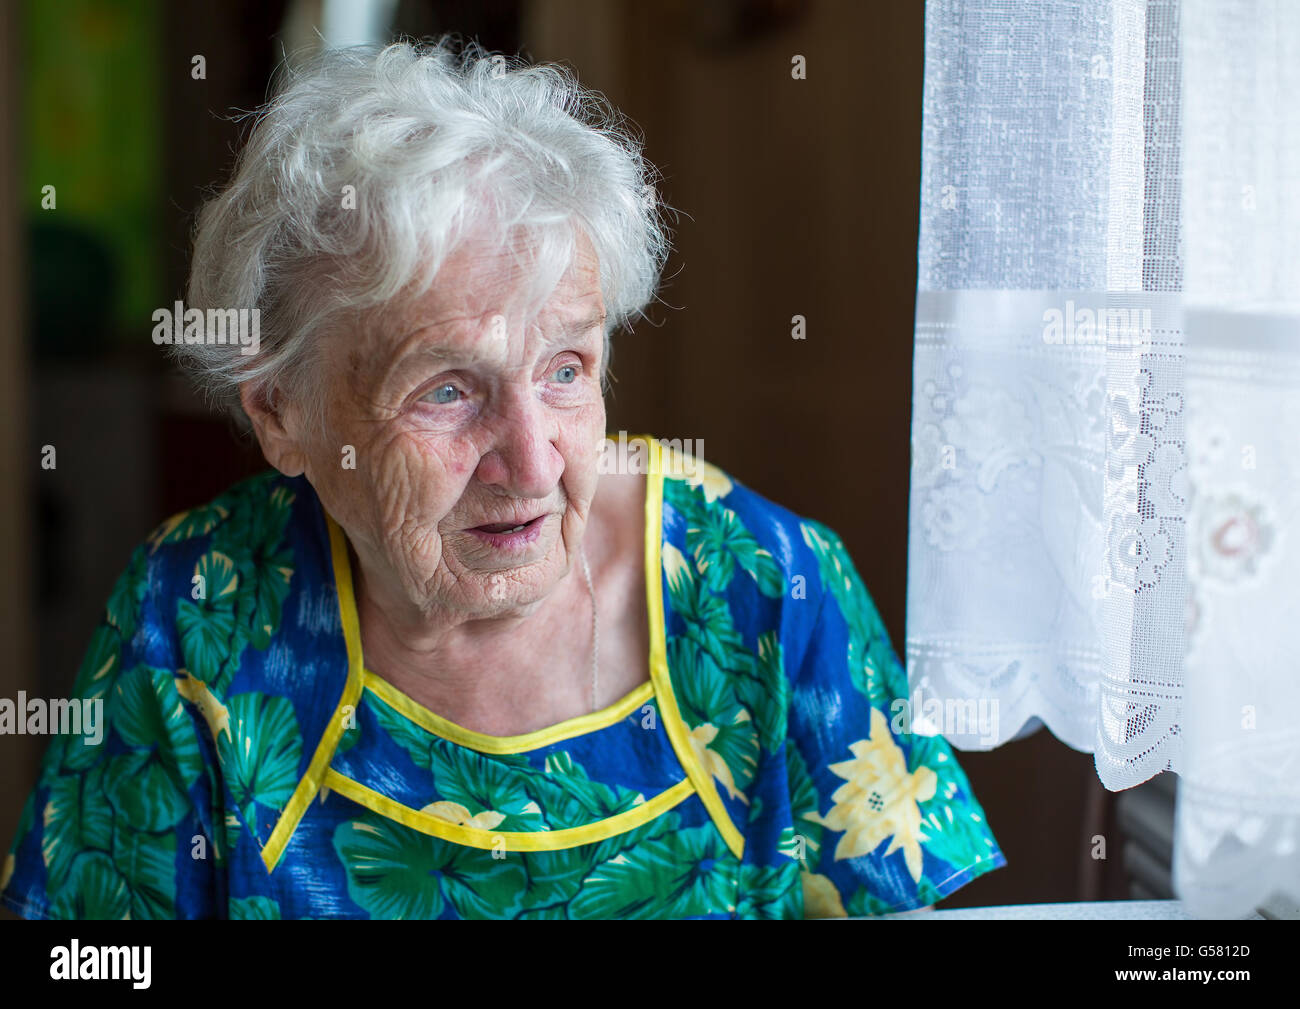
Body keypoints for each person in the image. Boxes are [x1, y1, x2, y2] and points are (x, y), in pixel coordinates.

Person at [1, 38, 1004, 919]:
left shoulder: (764, 582)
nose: (533, 462)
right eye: (446, 391)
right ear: (279, 411)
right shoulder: (196, 612)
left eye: (565, 370)